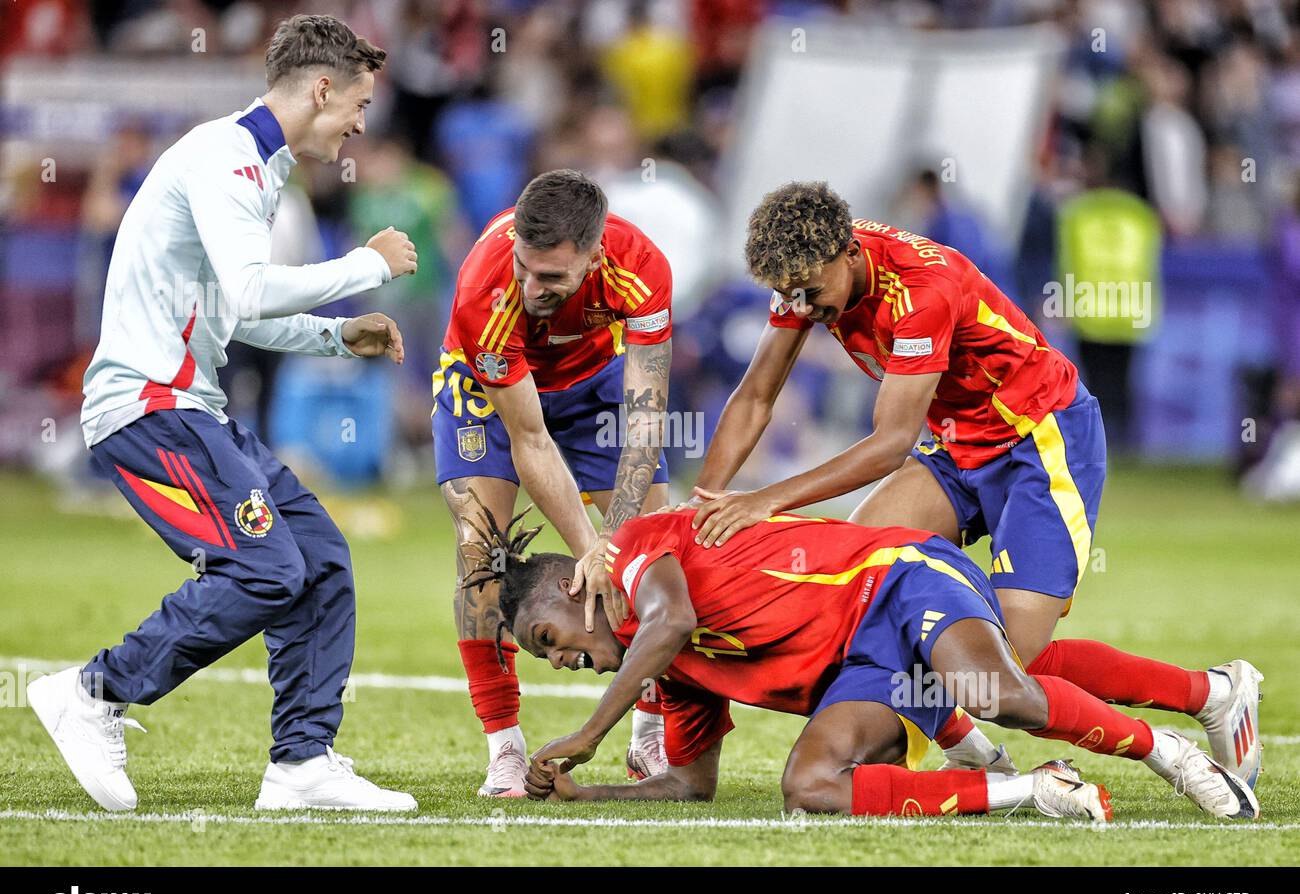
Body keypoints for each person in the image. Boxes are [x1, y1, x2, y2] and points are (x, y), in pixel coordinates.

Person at [687, 181, 1262, 788]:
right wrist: (701, 509)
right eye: (787, 296)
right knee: (863, 589)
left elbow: (889, 443)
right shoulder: (810, 273)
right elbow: (755, 396)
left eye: (809, 293)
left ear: (851, 253)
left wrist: (766, 498)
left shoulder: (920, 290)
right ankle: (962, 741)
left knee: (1006, 663)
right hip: (958, 445)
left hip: (1039, 441)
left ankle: (1212, 693)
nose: (800, 307)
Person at [28, 14, 419, 812]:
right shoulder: (227, 157)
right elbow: (247, 289)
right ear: (321, 89)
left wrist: (337, 335)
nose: (359, 124)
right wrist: (361, 265)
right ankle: (95, 692)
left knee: (319, 559)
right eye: (359, 105)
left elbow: (232, 312)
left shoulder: (256, 164)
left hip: (192, 405)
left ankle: (301, 764)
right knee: (266, 566)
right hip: (149, 406)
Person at [468, 508, 1257, 820]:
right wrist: (588, 791)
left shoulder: (636, 553)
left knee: (998, 687)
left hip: (898, 574)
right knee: (808, 788)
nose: (562, 661)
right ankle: (1035, 790)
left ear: (575, 585)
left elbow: (671, 619)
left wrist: (591, 733)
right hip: (869, 660)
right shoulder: (673, 672)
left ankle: (1174, 754)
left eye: (546, 638)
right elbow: (691, 783)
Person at [436, 170, 673, 796]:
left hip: (596, 382)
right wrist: (590, 546)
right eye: (524, 267)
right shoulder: (484, 291)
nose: (529, 286)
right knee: (479, 558)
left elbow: (646, 419)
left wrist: (617, 544)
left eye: (551, 278)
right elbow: (530, 439)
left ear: (595, 255)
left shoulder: (643, 268)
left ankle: (649, 736)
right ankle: (505, 750)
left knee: (654, 556)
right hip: (493, 395)